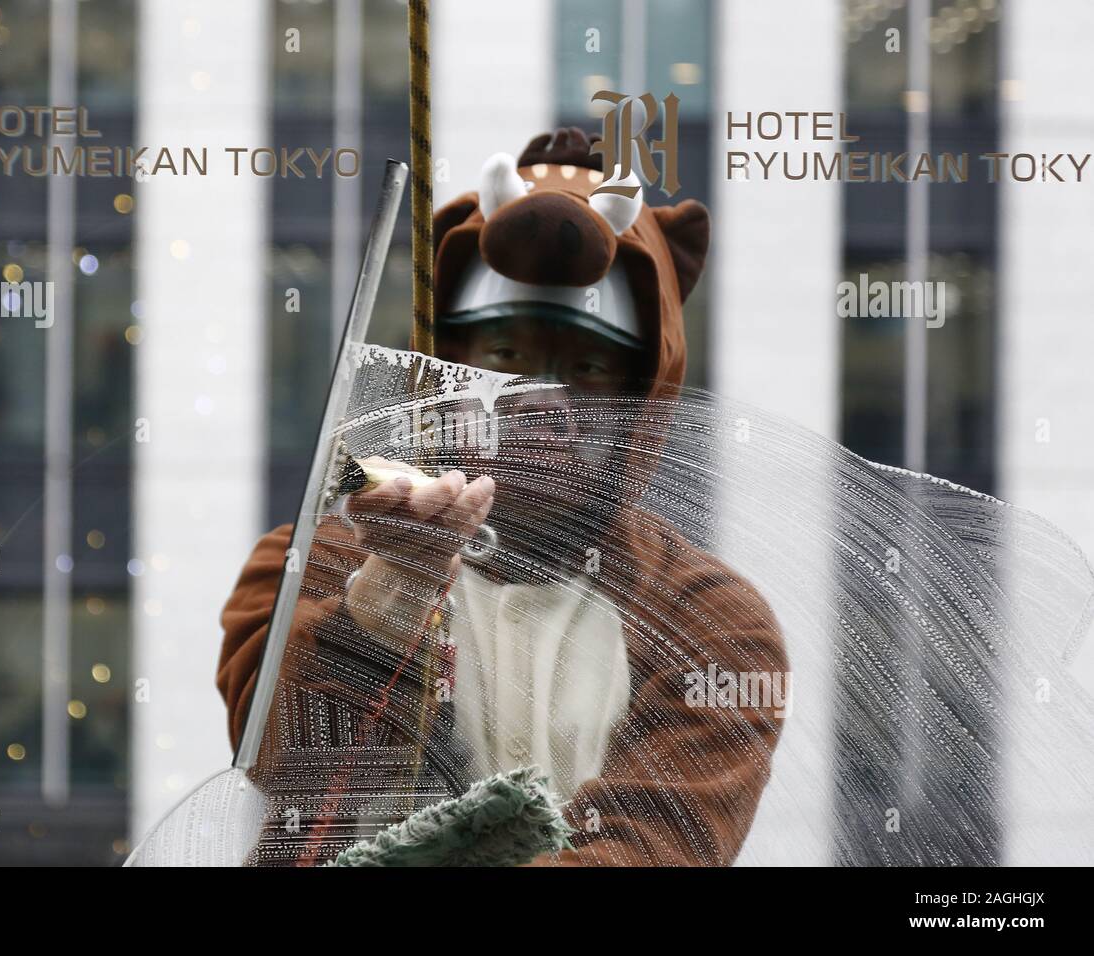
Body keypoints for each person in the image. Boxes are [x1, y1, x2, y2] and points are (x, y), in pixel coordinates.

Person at [217, 128, 788, 866]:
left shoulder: (708, 619)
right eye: (506, 358)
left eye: (585, 367)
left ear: (640, 403)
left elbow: (652, 850)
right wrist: (390, 596)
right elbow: (282, 768)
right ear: (446, 366)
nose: (538, 401)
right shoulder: (305, 563)